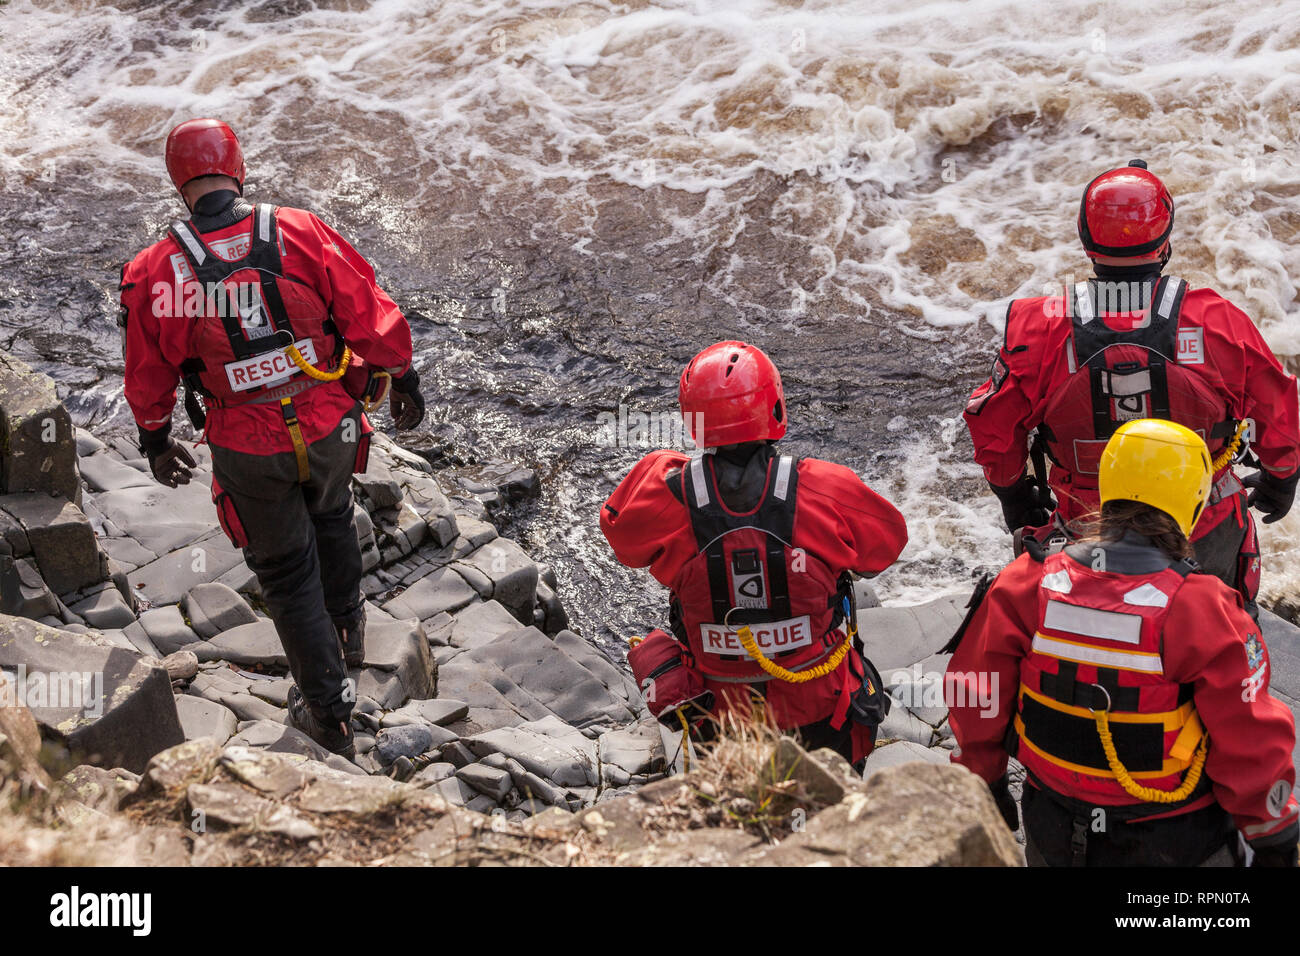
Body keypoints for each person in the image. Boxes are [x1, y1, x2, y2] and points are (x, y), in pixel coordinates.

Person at [119, 118, 426, 756]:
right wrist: (404, 377)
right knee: (334, 515)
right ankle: (349, 636)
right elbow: (369, 313)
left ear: (180, 182)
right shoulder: (300, 230)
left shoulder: (156, 271)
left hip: (247, 446)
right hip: (330, 426)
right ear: (239, 168)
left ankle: (329, 710)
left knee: (285, 574)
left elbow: (148, 372)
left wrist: (154, 439)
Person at [946, 418, 1298, 866]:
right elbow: (1250, 736)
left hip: (1052, 824)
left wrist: (984, 783)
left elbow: (975, 693)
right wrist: (1275, 836)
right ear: (1192, 502)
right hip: (1172, 836)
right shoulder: (1202, 607)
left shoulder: (1026, 581)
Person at [963, 159, 1299, 611]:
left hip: (1086, 522)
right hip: (1202, 520)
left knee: (1086, 631)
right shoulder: (1217, 320)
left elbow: (994, 423)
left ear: (1086, 242)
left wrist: (1014, 493)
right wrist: (1282, 475)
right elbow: (1277, 407)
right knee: (1223, 623)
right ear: (1165, 244)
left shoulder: (1037, 328)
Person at [600, 341, 907, 768]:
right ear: (774, 406)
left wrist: (674, 468)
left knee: (742, 820)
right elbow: (887, 545)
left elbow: (620, 532)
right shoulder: (825, 488)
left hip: (720, 715)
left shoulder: (667, 500)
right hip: (820, 709)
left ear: (694, 423)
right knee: (831, 816)